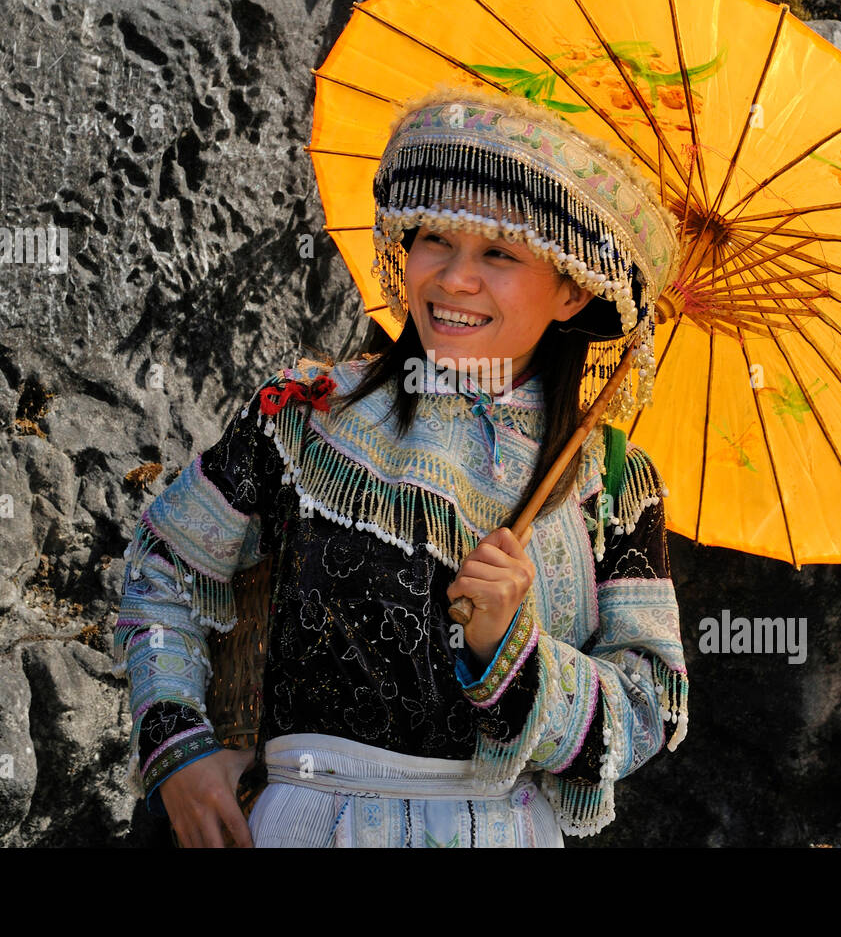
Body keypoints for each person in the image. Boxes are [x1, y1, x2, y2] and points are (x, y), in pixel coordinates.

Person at [112, 81, 690, 847]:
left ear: (572, 293)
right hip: (308, 823)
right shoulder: (306, 413)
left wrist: (508, 652)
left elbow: (648, 710)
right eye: (435, 240)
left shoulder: (609, 484)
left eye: (499, 253)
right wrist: (177, 748)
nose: (453, 278)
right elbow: (166, 569)